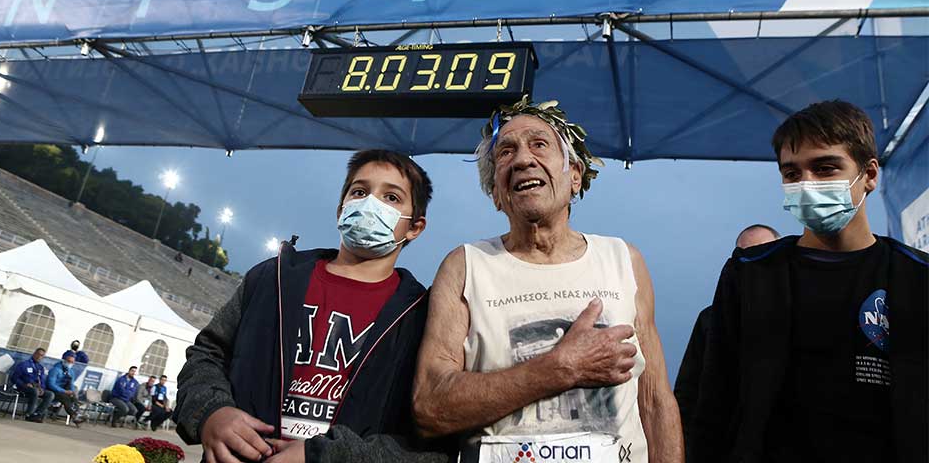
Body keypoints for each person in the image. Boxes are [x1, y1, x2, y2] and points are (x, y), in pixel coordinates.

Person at [413, 97, 683, 462]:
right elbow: (430, 406)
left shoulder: (624, 261)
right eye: (506, 152)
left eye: (539, 144)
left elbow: (654, 400)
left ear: (575, 176)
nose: (523, 159)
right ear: (496, 193)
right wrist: (559, 367)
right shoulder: (465, 267)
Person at [175, 149, 451, 463]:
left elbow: (428, 446)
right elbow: (207, 355)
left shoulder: (420, 316)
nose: (370, 203)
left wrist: (325, 455)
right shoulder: (271, 278)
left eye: (391, 197)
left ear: (415, 226)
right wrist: (211, 412)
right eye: (359, 192)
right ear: (341, 210)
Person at [690, 100, 929, 462]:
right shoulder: (751, 274)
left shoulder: (916, 276)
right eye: (791, 174)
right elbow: (712, 403)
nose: (807, 184)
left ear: (869, 175)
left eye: (825, 168)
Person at [673, 224, 780, 452]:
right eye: (743, 253)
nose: (751, 260)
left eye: (761, 252)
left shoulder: (797, 314)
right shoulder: (710, 320)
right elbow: (687, 394)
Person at [10, 347, 54, 422]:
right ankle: (29, 414)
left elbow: (42, 381)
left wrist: (42, 389)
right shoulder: (24, 364)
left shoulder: (40, 368)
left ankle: (37, 414)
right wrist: (24, 384)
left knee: (50, 394)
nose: (39, 357)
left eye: (42, 356)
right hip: (24, 387)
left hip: (36, 388)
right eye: (38, 354)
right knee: (34, 391)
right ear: (34, 354)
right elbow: (14, 378)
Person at [47, 353, 85, 427]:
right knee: (65, 397)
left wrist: (72, 392)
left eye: (72, 362)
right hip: (53, 390)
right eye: (68, 361)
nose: (70, 363)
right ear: (63, 360)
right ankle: (74, 415)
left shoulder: (71, 372)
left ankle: (77, 414)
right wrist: (64, 391)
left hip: (64, 391)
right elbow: (51, 384)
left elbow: (71, 385)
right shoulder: (55, 370)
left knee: (73, 397)